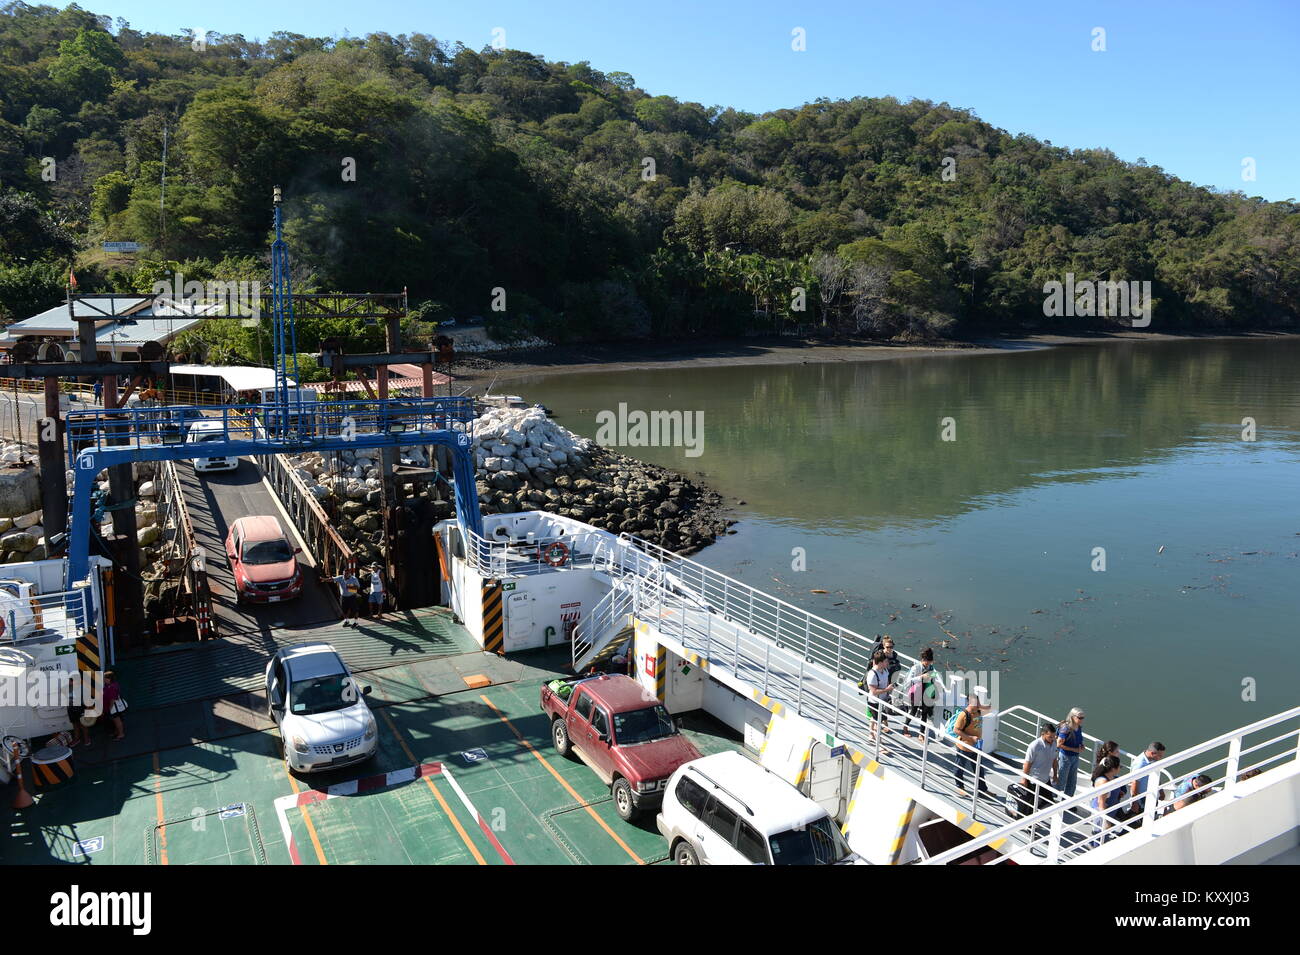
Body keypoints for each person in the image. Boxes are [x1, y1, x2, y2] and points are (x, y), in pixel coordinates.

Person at [948, 696, 992, 795]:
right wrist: (970, 738)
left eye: (978, 703)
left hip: (976, 747)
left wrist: (983, 706)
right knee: (960, 767)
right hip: (964, 747)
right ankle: (960, 786)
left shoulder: (978, 711)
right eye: (976, 703)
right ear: (970, 703)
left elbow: (988, 709)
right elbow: (956, 730)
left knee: (979, 769)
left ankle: (983, 790)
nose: (978, 705)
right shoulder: (964, 715)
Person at [1021, 721, 1060, 812]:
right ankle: (1029, 825)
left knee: (1049, 802)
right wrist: (1024, 779)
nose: (1052, 739)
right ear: (1043, 734)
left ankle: (1037, 816)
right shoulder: (1034, 746)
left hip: (1046, 780)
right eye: (1050, 737)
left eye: (1054, 736)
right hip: (1034, 781)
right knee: (1030, 806)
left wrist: (1055, 774)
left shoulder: (1054, 743)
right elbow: (1027, 764)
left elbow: (1054, 760)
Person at [901, 647, 936, 738]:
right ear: (922, 659)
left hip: (926, 692)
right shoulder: (915, 668)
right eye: (926, 661)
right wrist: (921, 677)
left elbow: (933, 678)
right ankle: (905, 727)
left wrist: (932, 677)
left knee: (925, 712)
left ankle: (921, 733)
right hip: (916, 691)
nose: (927, 664)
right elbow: (908, 681)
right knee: (913, 711)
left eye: (929, 662)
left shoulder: (931, 667)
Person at [1128, 741, 1166, 820]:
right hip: (1142, 797)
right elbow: (1134, 783)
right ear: (1152, 753)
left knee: (1152, 814)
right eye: (1160, 756)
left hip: (1151, 794)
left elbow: (1156, 775)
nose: (1161, 758)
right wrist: (1135, 802)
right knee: (1143, 818)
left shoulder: (1154, 760)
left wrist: (1161, 791)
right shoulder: (1140, 764)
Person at [1089, 756, 1122, 845]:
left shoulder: (1110, 777)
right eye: (1119, 766)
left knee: (1101, 837)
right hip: (1100, 812)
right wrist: (1106, 820)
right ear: (1113, 769)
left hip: (1107, 810)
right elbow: (1101, 802)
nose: (1120, 768)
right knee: (1100, 838)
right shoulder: (1103, 782)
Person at [1056, 708, 1086, 797]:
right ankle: (1053, 796)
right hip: (1065, 757)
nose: (1082, 720)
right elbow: (1059, 744)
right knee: (1062, 780)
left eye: (1083, 718)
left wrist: (1081, 746)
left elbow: (1078, 739)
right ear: (1073, 717)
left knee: (1072, 781)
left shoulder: (1078, 727)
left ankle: (1068, 800)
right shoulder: (1065, 728)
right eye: (1080, 718)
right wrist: (1074, 750)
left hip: (1075, 757)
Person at [865, 651, 894, 744]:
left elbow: (885, 683)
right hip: (874, 701)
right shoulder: (872, 674)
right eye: (886, 661)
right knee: (878, 722)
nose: (887, 663)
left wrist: (889, 689)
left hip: (883, 700)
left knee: (875, 718)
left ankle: (871, 734)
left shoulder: (885, 670)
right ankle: (879, 744)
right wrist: (886, 689)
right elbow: (873, 692)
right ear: (881, 663)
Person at [103, 671, 125, 741]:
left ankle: (121, 734)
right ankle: (117, 731)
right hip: (112, 707)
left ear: (110, 679)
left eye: (105, 678)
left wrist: (110, 708)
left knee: (117, 721)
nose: (104, 679)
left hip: (113, 707)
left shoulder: (112, 687)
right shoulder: (110, 685)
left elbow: (112, 699)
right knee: (115, 720)